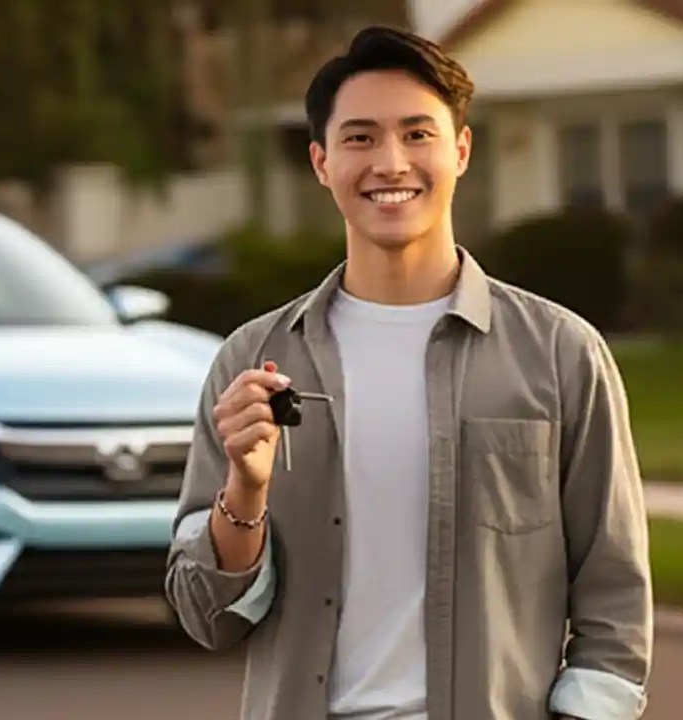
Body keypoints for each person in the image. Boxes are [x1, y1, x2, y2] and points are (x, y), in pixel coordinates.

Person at [165, 25, 653, 720]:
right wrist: (245, 489)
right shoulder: (253, 361)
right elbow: (206, 616)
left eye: (417, 134)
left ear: (460, 150)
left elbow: (615, 599)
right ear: (321, 162)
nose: (390, 162)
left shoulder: (560, 354)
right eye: (360, 138)